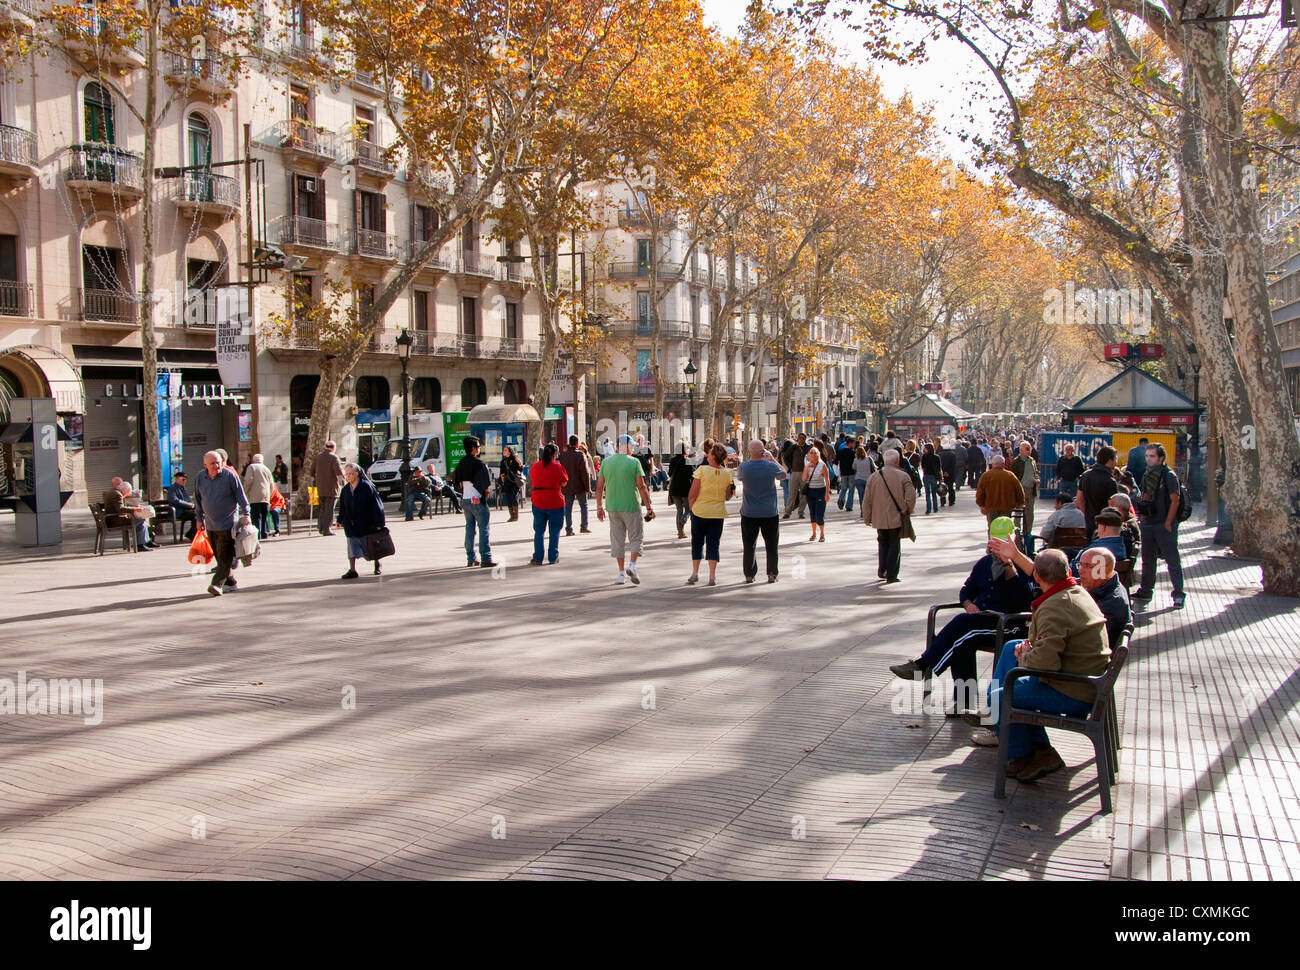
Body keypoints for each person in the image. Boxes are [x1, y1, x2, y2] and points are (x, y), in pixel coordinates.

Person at [973, 549, 1111, 782]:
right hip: (1081, 675)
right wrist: (1026, 649)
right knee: (1010, 648)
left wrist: (1026, 655)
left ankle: (1022, 755)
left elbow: (1046, 664)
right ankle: (1030, 742)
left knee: (1000, 696)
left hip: (1074, 689)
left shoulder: (1054, 606)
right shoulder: (1075, 592)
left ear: (1037, 577)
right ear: (1067, 571)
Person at [889, 517, 1034, 713]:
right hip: (980, 619)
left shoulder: (1023, 566)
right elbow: (966, 590)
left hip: (1008, 623)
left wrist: (1010, 566)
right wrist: (967, 604)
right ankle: (964, 701)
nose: (997, 549)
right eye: (995, 544)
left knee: (962, 629)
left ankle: (924, 665)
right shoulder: (984, 563)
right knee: (962, 639)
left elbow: (1021, 600)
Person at [595, 434, 654, 585]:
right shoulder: (634, 462)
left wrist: (599, 507)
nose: (633, 448)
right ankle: (632, 566)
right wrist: (648, 507)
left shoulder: (606, 463)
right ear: (625, 446)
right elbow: (641, 487)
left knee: (617, 540)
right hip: (631, 506)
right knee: (636, 537)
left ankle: (621, 574)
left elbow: (600, 486)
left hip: (613, 507)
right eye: (632, 445)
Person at [1133, 442, 1185, 609]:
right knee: (1148, 560)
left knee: (1172, 560)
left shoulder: (1168, 475)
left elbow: (1175, 500)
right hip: (1149, 523)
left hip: (1164, 524)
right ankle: (1146, 589)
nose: (1149, 459)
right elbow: (1145, 496)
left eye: (1152, 456)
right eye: (1147, 456)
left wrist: (1169, 521)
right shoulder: (1147, 475)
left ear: (1161, 458)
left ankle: (1178, 593)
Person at [194, 450, 251, 596]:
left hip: (228, 523)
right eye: (212, 463)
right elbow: (198, 499)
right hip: (211, 524)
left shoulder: (229, 475)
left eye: (218, 462)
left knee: (225, 554)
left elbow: (241, 496)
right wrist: (199, 519)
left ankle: (216, 584)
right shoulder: (200, 477)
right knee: (218, 556)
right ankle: (230, 581)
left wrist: (247, 514)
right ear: (205, 464)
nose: (216, 466)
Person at [734, 439, 787, 584]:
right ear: (763, 451)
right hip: (769, 512)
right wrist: (773, 459)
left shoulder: (744, 467)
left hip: (749, 512)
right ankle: (772, 573)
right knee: (771, 545)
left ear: (749, 452)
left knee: (749, 545)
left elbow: (739, 478)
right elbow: (784, 474)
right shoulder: (770, 466)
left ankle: (749, 574)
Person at [862, 449, 916, 584]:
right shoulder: (903, 476)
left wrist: (867, 517)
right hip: (896, 515)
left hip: (878, 517)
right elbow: (911, 496)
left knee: (882, 542)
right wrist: (907, 509)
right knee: (894, 544)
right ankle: (891, 574)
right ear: (897, 461)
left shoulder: (874, 477)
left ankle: (882, 569)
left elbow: (866, 499)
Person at [686, 443, 733, 587]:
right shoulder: (727, 473)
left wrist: (692, 508)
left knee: (697, 542)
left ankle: (695, 573)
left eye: (710, 452)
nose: (708, 454)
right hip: (717, 513)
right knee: (714, 543)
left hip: (700, 511)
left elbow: (692, 494)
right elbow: (727, 496)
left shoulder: (702, 470)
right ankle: (712, 576)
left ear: (713, 456)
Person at [453, 435, 496, 568]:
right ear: (472, 448)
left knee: (469, 529)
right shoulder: (479, 464)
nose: (479, 448)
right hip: (477, 499)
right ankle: (486, 557)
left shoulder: (461, 463)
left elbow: (456, 482)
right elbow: (484, 484)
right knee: (483, 529)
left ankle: (471, 558)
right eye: (477, 446)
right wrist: (485, 494)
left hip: (466, 499)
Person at [338, 463, 387, 579]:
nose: (348, 476)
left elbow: (377, 505)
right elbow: (343, 506)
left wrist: (379, 523)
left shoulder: (367, 487)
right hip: (351, 523)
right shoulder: (345, 490)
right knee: (351, 544)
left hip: (367, 521)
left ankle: (377, 563)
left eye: (351, 474)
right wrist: (339, 520)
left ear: (357, 474)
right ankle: (352, 569)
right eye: (347, 474)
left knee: (372, 544)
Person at [1076, 547, 1132, 648]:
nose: (1080, 571)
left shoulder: (1110, 604)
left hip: (1090, 657)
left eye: (1087, 566)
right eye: (1080, 565)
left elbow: (1082, 639)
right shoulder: (1106, 585)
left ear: (1105, 570)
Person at [1077, 445, 1119, 539]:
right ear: (1109, 460)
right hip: (1105, 525)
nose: (1116, 462)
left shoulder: (1086, 475)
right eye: (1115, 459)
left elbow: (1079, 500)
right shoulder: (1110, 481)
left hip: (1089, 521)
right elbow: (1112, 507)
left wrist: (1088, 515)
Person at [1071, 507, 1129, 574]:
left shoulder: (1092, 550)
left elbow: (1073, 570)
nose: (1097, 531)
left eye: (1098, 526)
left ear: (1103, 527)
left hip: (1090, 582)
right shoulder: (1121, 547)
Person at [974, 453, 1025, 528]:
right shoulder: (1010, 475)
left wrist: (981, 504)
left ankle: (993, 539)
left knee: (992, 527)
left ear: (993, 464)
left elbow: (980, 492)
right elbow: (1019, 490)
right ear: (1003, 464)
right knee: (1004, 528)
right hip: (1007, 506)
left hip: (991, 506)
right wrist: (1020, 502)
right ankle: (1004, 539)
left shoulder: (986, 476)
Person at [558, 435, 592, 536]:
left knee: (568, 508)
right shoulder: (580, 455)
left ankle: (569, 528)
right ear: (577, 444)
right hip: (579, 485)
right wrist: (588, 488)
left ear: (569, 442)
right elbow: (585, 473)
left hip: (567, 485)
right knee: (583, 506)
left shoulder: (563, 455)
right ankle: (584, 526)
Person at [1010, 441, 1039, 552]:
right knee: (1018, 511)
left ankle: (1028, 532)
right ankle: (1017, 531)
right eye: (1027, 448)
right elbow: (1013, 476)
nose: (1029, 450)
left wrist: (1036, 478)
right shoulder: (1017, 462)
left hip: (1031, 489)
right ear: (1021, 450)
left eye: (1030, 448)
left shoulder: (1032, 461)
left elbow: (1035, 472)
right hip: (1020, 489)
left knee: (1029, 512)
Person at [313, 441, 345, 536]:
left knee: (322, 508)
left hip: (320, 488)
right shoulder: (334, 457)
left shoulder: (318, 457)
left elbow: (311, 471)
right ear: (333, 447)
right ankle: (327, 529)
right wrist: (343, 484)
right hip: (331, 488)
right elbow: (339, 472)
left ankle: (320, 527)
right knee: (329, 509)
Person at [242, 453, 275, 539]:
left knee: (256, 516)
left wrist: (245, 491)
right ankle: (264, 533)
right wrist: (269, 494)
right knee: (264, 515)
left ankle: (257, 534)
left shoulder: (251, 467)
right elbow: (272, 483)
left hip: (254, 495)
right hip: (265, 496)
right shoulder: (266, 468)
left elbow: (248, 480)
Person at [802, 445, 831, 542]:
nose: (813, 454)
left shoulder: (822, 465)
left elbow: (827, 480)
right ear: (808, 455)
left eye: (815, 453)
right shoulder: (807, 465)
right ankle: (814, 533)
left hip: (820, 491)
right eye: (811, 452)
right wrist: (807, 468)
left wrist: (827, 493)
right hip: (810, 492)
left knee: (820, 514)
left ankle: (822, 534)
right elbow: (803, 478)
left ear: (818, 454)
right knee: (812, 513)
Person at [668, 442, 693, 539]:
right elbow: (691, 475)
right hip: (685, 489)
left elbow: (670, 474)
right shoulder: (688, 461)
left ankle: (680, 532)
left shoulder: (672, 460)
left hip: (674, 489)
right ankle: (682, 522)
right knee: (688, 509)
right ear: (684, 450)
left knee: (679, 510)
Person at [781, 433, 809, 519]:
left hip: (805, 473)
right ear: (797, 439)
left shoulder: (808, 448)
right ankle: (788, 512)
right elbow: (785, 457)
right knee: (792, 493)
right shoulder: (793, 448)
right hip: (795, 473)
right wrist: (790, 467)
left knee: (803, 494)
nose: (801, 440)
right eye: (800, 438)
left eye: (803, 438)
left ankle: (801, 512)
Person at [166, 471, 198, 541]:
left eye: (185, 479)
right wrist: (188, 504)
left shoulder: (183, 488)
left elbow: (188, 499)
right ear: (177, 479)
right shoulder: (172, 488)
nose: (185, 481)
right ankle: (192, 535)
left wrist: (192, 504)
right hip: (178, 512)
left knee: (199, 513)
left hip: (185, 511)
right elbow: (174, 500)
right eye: (183, 479)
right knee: (195, 515)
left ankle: (191, 533)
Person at [1108, 492, 1140, 561]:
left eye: (1111, 507)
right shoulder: (1129, 520)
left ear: (1120, 508)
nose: (1109, 510)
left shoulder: (1126, 527)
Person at [497, 446, 523, 521]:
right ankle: (512, 516)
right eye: (503, 450)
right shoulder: (503, 461)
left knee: (513, 496)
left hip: (514, 482)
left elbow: (520, 470)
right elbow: (501, 472)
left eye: (505, 450)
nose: (504, 451)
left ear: (509, 451)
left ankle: (516, 516)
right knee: (508, 498)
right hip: (507, 482)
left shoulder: (515, 460)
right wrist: (501, 476)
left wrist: (520, 464)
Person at [847, 445, 872, 512]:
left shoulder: (856, 460)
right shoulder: (869, 459)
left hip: (858, 478)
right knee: (868, 496)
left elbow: (853, 468)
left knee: (861, 496)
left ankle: (862, 510)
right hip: (867, 478)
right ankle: (868, 509)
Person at [920, 442, 943, 515]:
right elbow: (939, 468)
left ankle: (928, 509)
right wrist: (940, 477)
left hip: (927, 475)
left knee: (927, 493)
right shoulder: (937, 457)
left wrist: (925, 473)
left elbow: (923, 467)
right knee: (934, 493)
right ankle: (935, 508)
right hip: (934, 476)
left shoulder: (924, 457)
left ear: (927, 449)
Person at [836, 438, 857, 511]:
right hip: (851, 472)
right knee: (851, 490)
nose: (854, 445)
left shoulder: (840, 452)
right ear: (850, 443)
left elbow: (836, 461)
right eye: (854, 443)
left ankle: (841, 499)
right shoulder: (853, 452)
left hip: (843, 472)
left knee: (844, 488)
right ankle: (849, 506)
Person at [939, 440, 958, 507]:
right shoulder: (952, 454)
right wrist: (948, 472)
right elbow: (953, 465)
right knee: (950, 487)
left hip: (942, 474)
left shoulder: (940, 454)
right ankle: (951, 501)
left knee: (942, 487)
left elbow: (939, 465)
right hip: (950, 474)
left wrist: (943, 472)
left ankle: (942, 501)